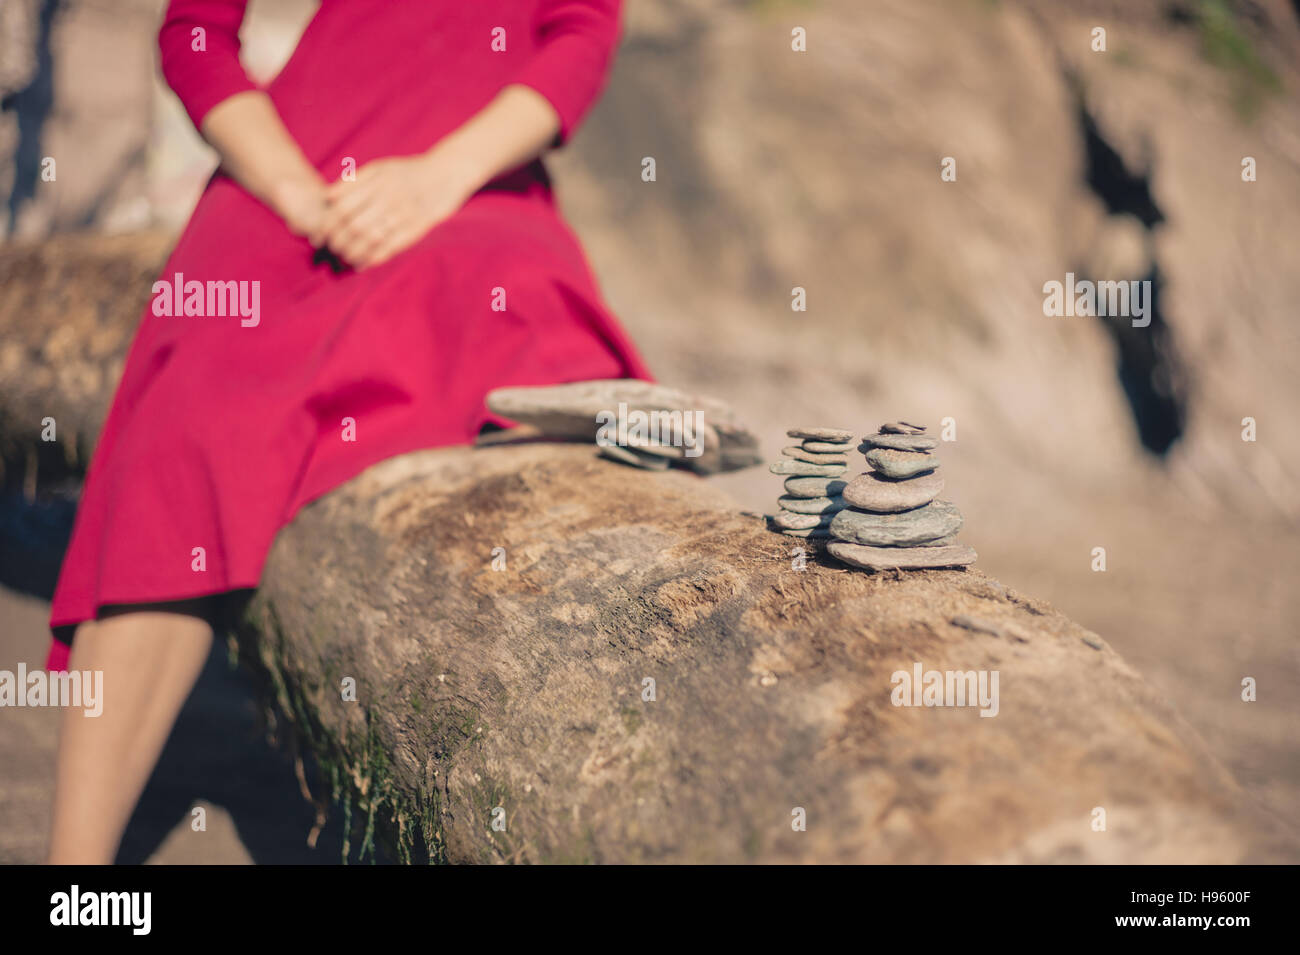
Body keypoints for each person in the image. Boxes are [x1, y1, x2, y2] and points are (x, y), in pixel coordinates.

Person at [45, 0, 650, 864]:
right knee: (194, 416)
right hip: (289, 176)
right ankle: (77, 881)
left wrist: (436, 178)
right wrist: (296, 190)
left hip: (475, 189)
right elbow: (193, 35)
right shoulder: (290, 182)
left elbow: (581, 37)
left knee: (529, 334)